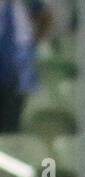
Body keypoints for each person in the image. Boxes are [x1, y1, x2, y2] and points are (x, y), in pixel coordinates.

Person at [0, 0, 51, 132]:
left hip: (16, 68)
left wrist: (33, 42)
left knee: (10, 124)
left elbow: (46, 16)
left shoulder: (27, 3)